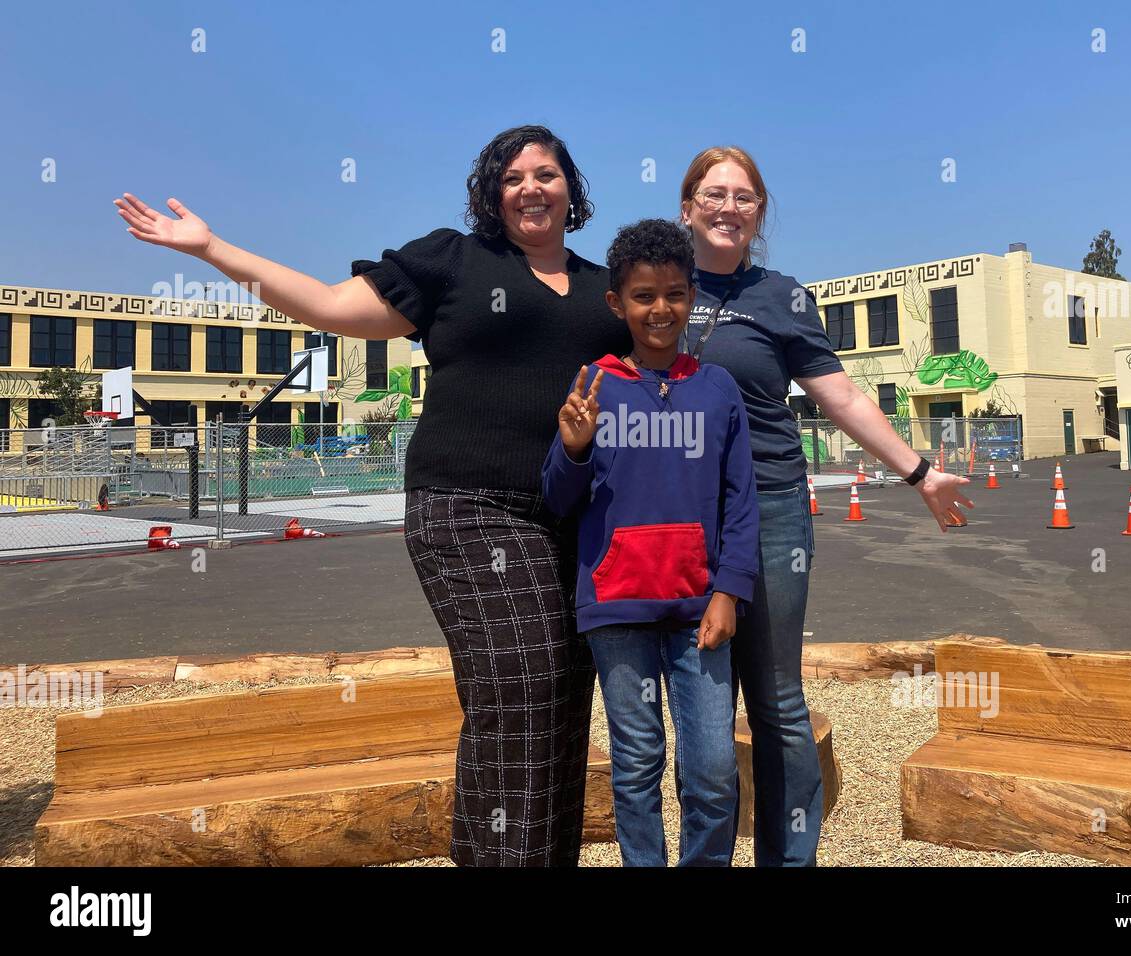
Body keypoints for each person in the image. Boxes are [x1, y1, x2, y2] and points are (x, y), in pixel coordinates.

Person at [114, 125, 632, 866]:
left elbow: (665, 354)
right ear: (492, 193)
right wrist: (209, 248)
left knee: (562, 692)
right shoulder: (454, 260)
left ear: (570, 188)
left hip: (572, 513)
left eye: (546, 174)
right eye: (512, 177)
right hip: (468, 507)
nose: (530, 188)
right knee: (524, 681)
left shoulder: (600, 287)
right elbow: (326, 304)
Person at [677, 146, 974, 866]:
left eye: (744, 197)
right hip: (682, 515)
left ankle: (791, 858)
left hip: (774, 506)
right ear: (686, 207)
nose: (728, 208)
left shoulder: (783, 296)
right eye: (713, 194)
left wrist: (919, 471)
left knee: (777, 703)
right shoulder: (653, 284)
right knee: (704, 713)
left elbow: (838, 395)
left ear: (759, 212)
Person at [542, 219, 759, 866]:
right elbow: (556, 498)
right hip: (619, 609)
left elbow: (741, 502)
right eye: (643, 296)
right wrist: (573, 448)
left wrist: (730, 591)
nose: (659, 309)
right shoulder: (595, 386)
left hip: (701, 612)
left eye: (674, 293)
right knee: (637, 767)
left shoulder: (718, 388)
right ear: (617, 303)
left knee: (714, 767)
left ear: (692, 296)